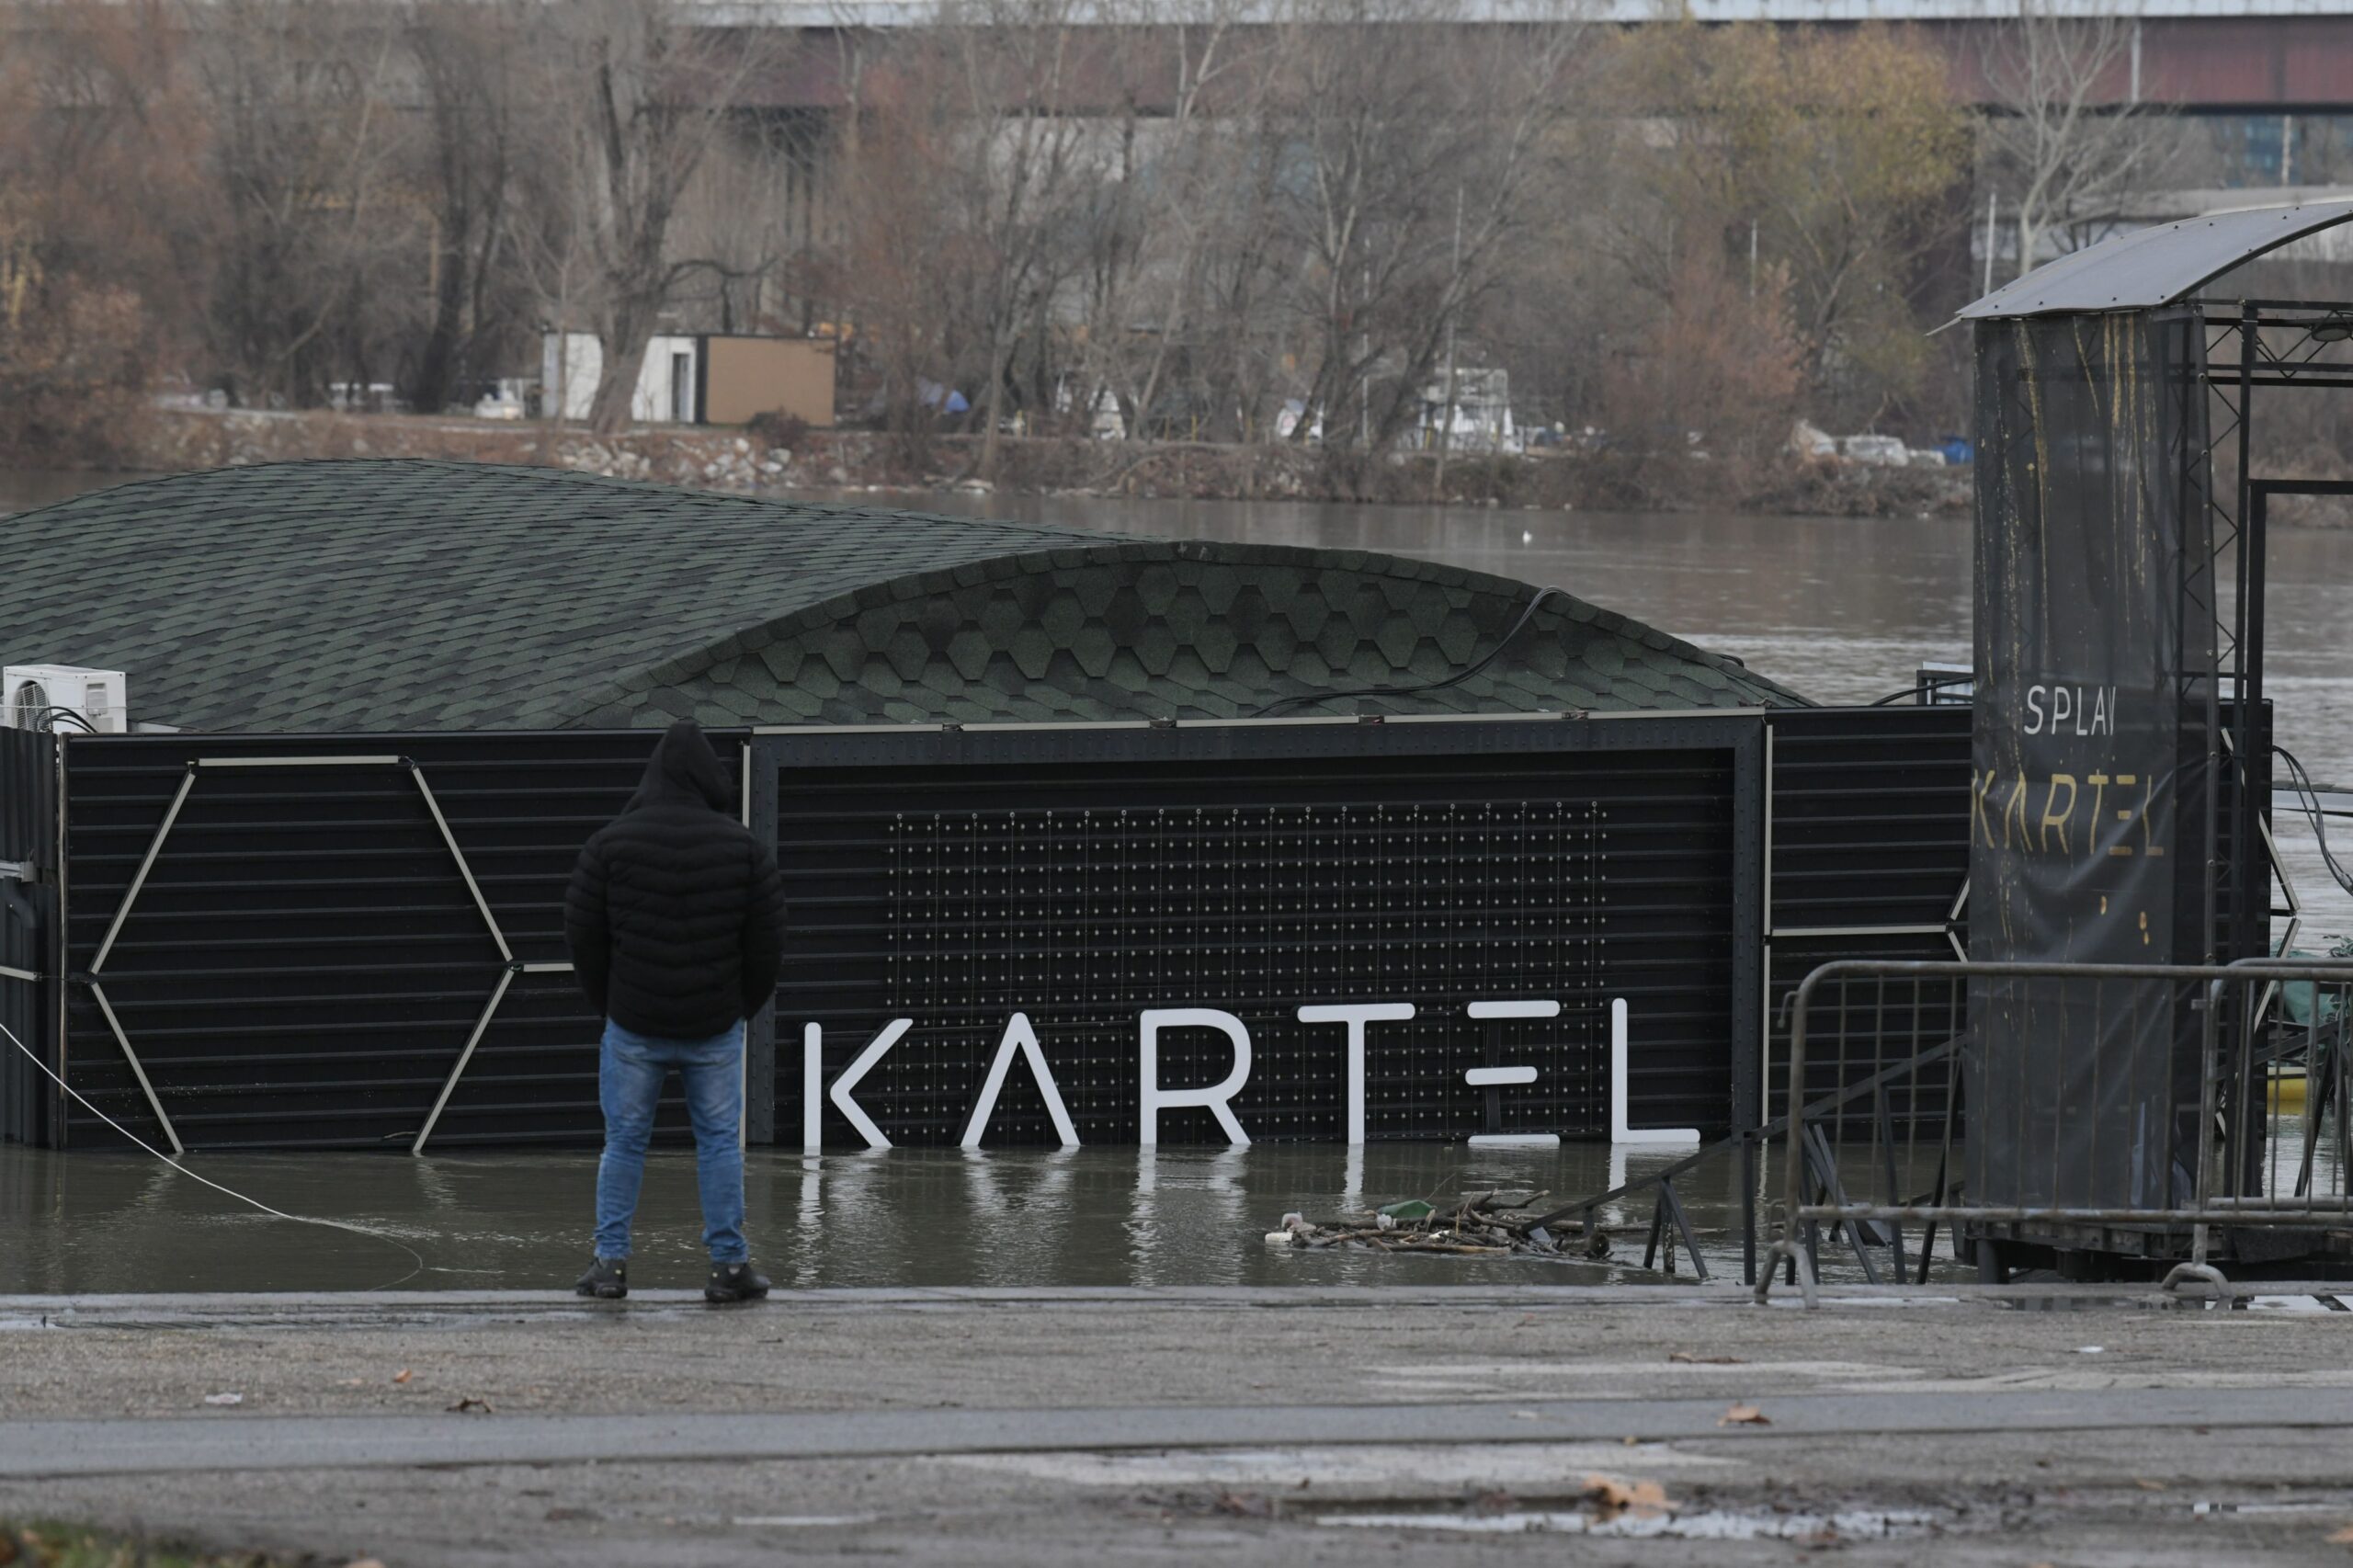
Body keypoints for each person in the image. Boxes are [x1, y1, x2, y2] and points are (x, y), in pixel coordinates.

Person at [564, 719, 788, 1303]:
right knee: (718, 1144)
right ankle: (729, 1269)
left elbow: (582, 933)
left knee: (623, 1143)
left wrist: (611, 1002)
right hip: (714, 1026)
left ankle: (609, 1267)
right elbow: (767, 942)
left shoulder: (609, 844)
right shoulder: (743, 848)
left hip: (633, 1023)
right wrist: (739, 1007)